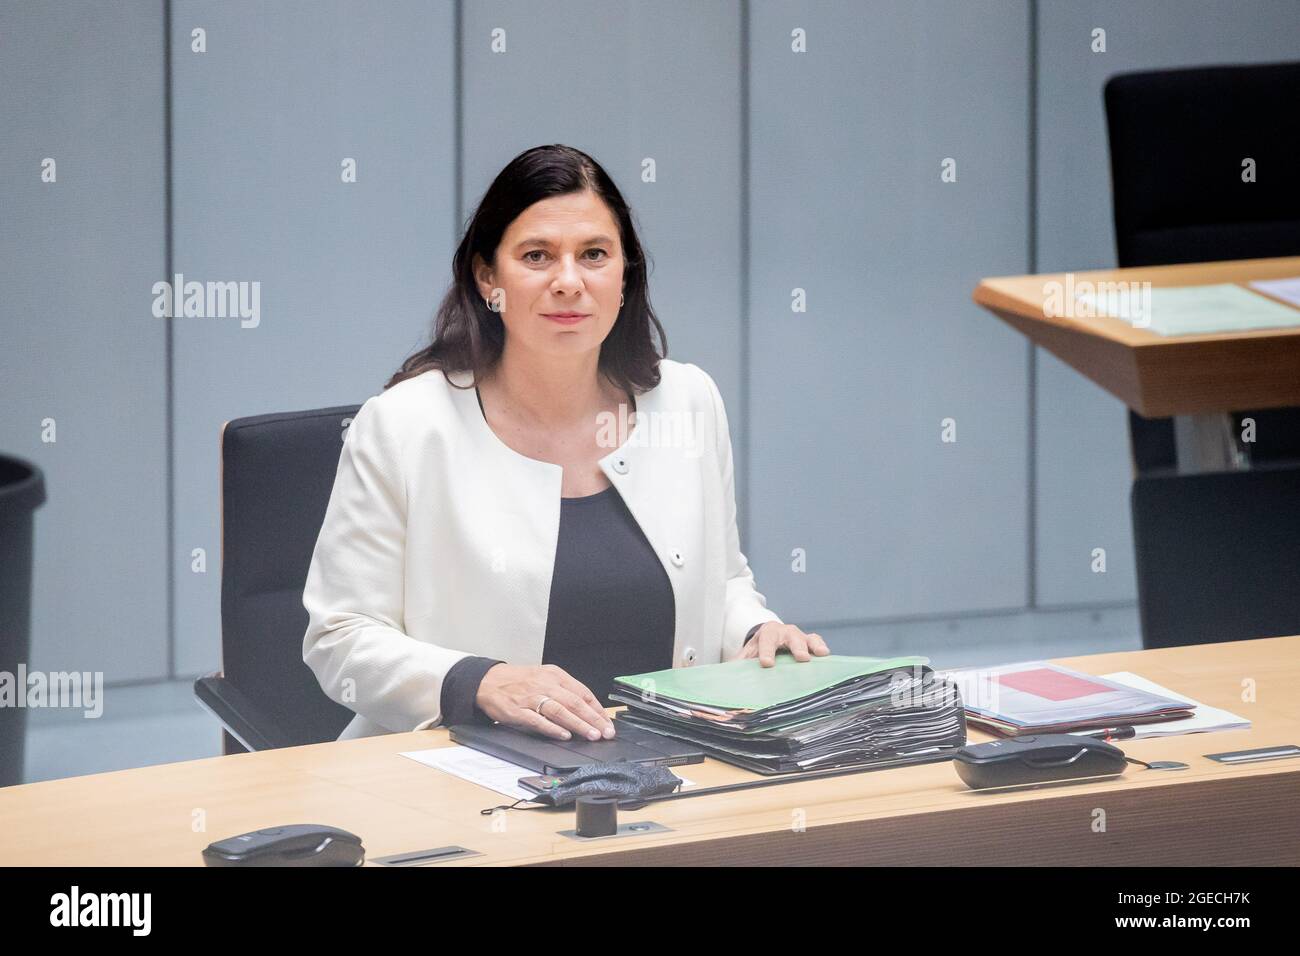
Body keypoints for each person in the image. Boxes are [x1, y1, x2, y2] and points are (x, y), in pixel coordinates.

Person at [303, 144, 828, 744]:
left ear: (625, 276)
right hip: (458, 778)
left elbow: (724, 580)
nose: (569, 281)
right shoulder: (404, 426)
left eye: (595, 255)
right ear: (487, 278)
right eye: (537, 256)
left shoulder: (687, 401)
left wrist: (757, 632)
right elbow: (339, 637)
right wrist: (480, 681)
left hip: (669, 765)